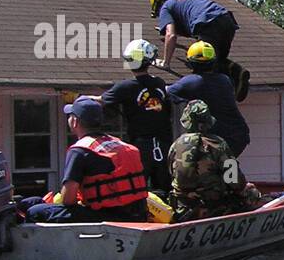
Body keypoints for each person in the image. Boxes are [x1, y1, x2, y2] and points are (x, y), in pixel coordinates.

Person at [21, 97, 148, 223]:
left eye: (70, 116)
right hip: (138, 214)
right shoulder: (121, 144)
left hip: (106, 216)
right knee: (35, 201)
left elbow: (68, 200)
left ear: (75, 121)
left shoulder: (80, 150)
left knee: (35, 211)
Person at [150, 0, 249, 101]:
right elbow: (188, 24)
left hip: (208, 23)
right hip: (226, 21)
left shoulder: (165, 7)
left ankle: (212, 102)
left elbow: (170, 35)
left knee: (201, 65)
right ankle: (237, 72)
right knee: (215, 60)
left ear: (159, 4)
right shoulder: (187, 0)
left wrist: (165, 62)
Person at [168, 100, 261, 222]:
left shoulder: (176, 145)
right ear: (208, 122)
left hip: (183, 206)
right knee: (251, 192)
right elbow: (233, 179)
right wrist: (246, 188)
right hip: (213, 207)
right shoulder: (217, 144)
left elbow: (171, 172)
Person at [101, 40, 174, 193]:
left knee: (136, 188)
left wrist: (77, 97)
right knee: (165, 189)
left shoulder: (125, 87)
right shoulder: (160, 83)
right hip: (165, 145)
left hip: (140, 147)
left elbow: (101, 101)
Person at [166, 41, 251, 158]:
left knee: (209, 171)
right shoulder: (224, 79)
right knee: (226, 170)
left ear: (191, 63)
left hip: (219, 138)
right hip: (239, 135)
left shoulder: (192, 81)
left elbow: (166, 92)